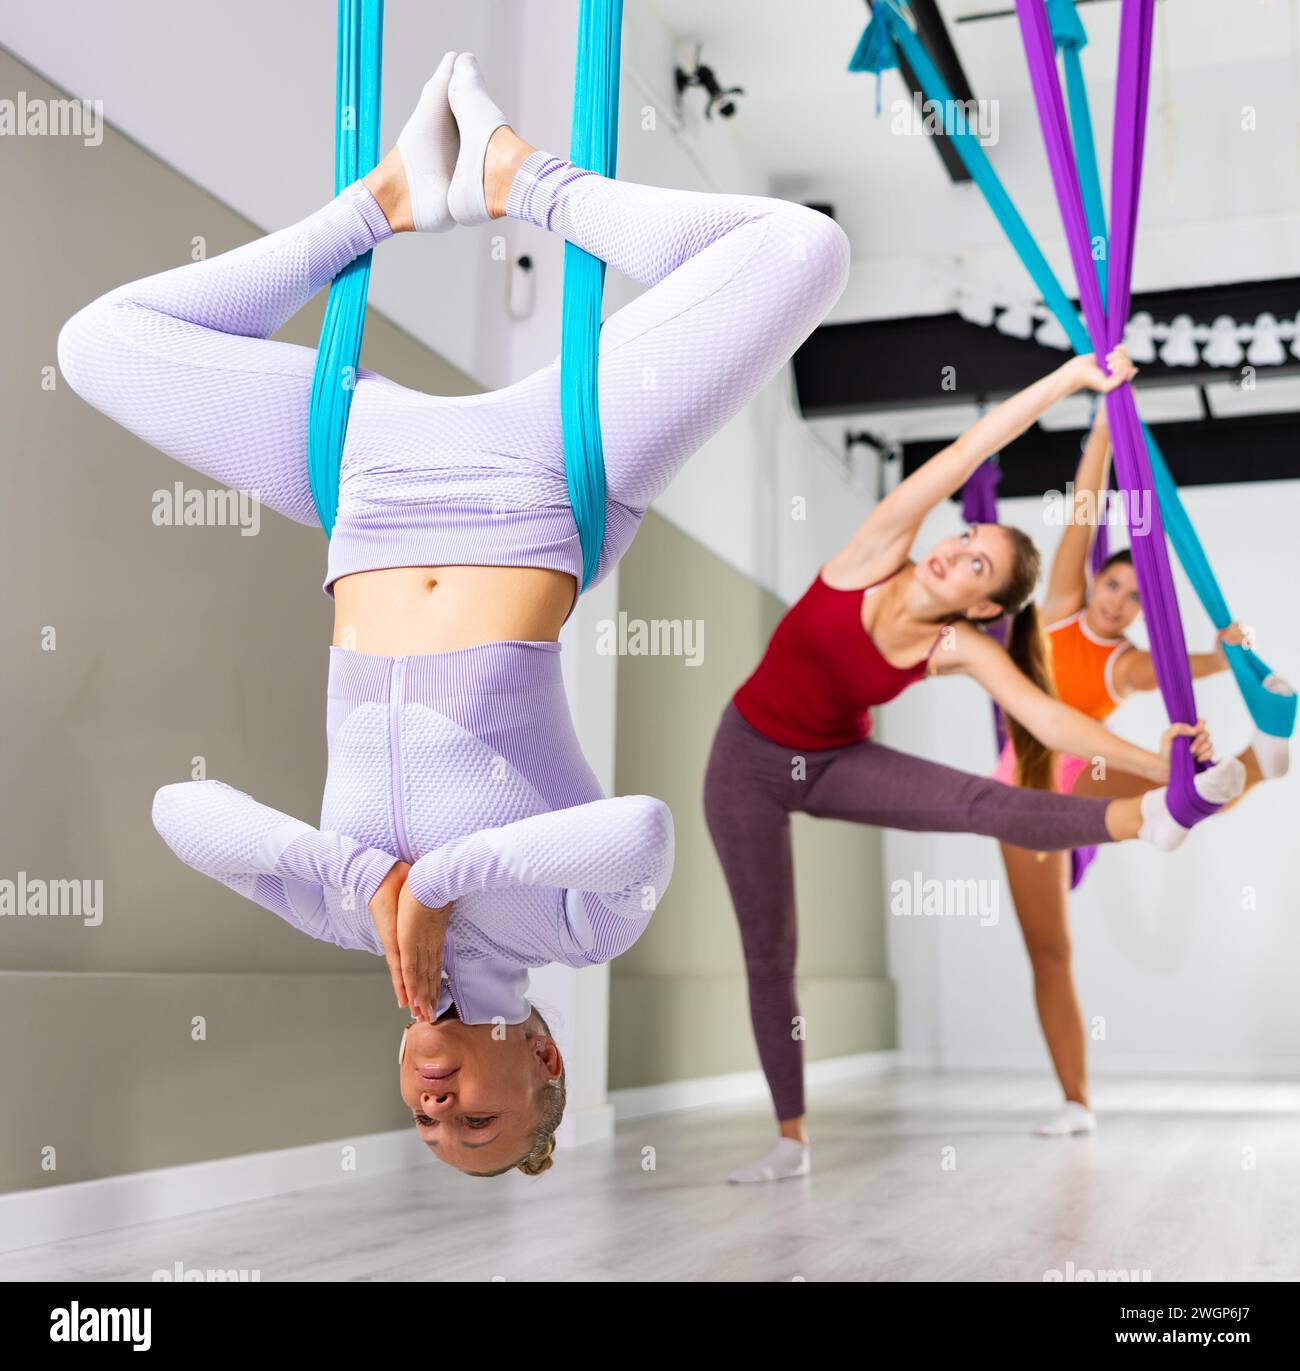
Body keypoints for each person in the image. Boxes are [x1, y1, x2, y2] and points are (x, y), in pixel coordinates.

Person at [56, 52, 852, 1176]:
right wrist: (431, 884)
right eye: (477, 1118)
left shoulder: (348, 916)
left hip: (361, 484)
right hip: (539, 480)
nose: (439, 1106)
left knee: (97, 345)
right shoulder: (573, 930)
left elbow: (179, 810)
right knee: (800, 253)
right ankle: (525, 180)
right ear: (545, 1064)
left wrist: (371, 884)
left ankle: (379, 204)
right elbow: (639, 833)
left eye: (428, 1125)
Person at [704, 352, 1245, 1184]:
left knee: (982, 799)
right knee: (770, 949)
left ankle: (1151, 818)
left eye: (976, 566)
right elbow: (972, 448)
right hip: (742, 761)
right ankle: (791, 1139)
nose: (953, 555)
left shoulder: (955, 645)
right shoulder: (877, 548)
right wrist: (1073, 379)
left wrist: (1159, 763)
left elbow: (1046, 719)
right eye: (963, 539)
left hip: (837, 759)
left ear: (983, 607)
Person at [994, 409, 1291, 1138]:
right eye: (1116, 584)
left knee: (1182, 791)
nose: (1120, 600)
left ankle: (1258, 762)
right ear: (1097, 581)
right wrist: (1103, 425)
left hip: (1081, 775)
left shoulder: (1123, 662)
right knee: (1049, 950)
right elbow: (1085, 508)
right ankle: (1074, 1102)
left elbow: (1176, 666)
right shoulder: (1062, 607)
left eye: (1132, 596)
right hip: (1015, 794)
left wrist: (1228, 653)